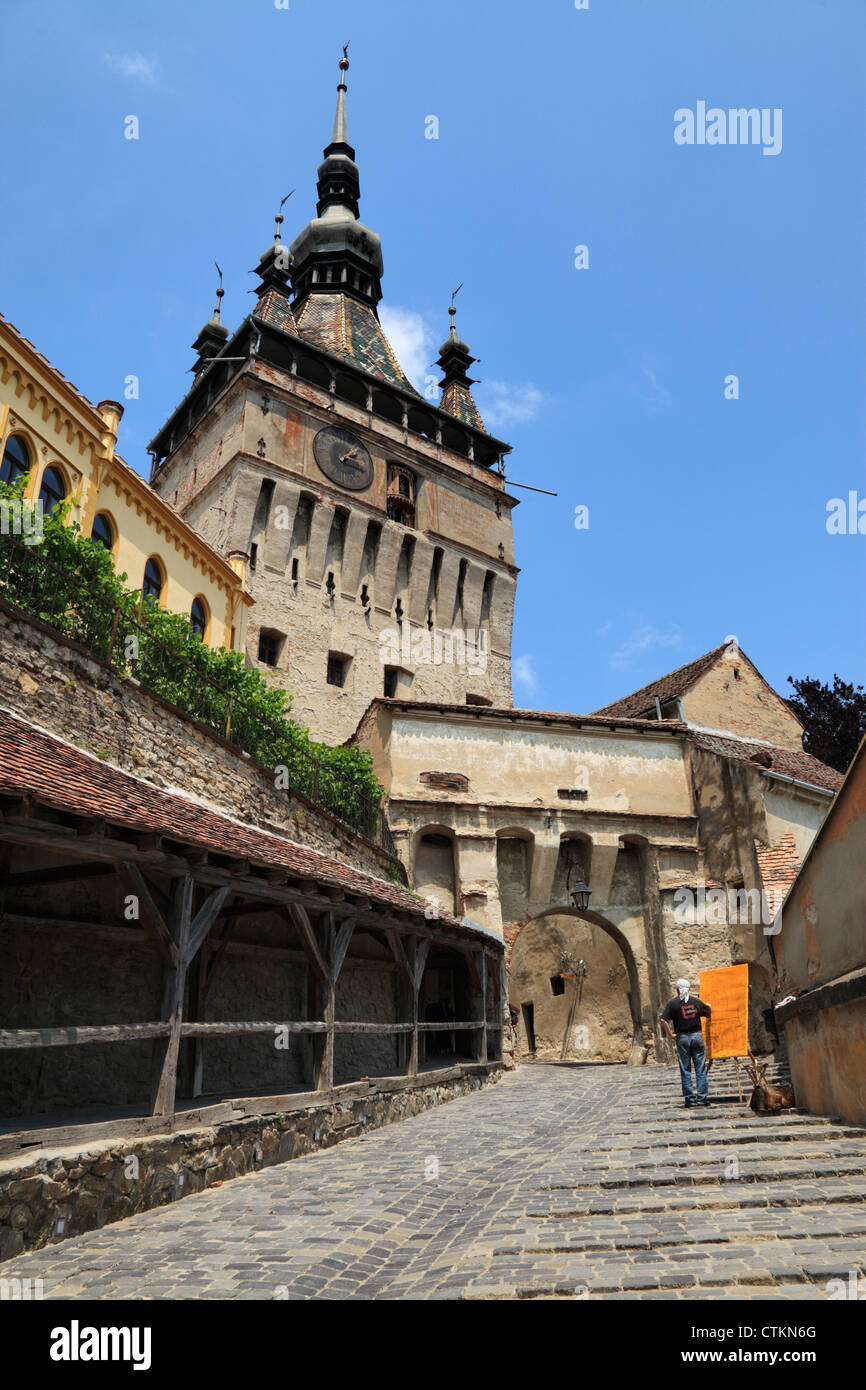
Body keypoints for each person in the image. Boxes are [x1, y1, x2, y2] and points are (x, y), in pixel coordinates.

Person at [660, 978, 711, 1107]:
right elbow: (708, 1013)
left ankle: (689, 1098)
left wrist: (670, 1034)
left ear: (677, 989)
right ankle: (702, 1097)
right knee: (700, 1068)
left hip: (682, 1038)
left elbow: (663, 1020)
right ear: (688, 989)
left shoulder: (673, 1004)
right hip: (697, 1036)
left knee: (685, 1068)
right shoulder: (696, 1002)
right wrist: (708, 1006)